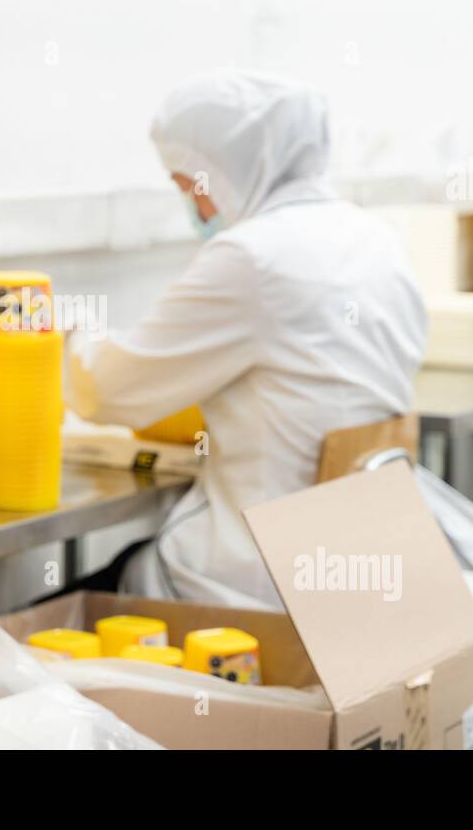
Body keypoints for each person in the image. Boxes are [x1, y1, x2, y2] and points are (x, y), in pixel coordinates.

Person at [69, 71, 427, 609]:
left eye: (185, 182)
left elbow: (110, 391)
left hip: (258, 572)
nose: (188, 200)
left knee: (63, 606)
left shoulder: (253, 258)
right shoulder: (374, 238)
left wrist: (63, 336)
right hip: (361, 557)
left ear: (222, 172)